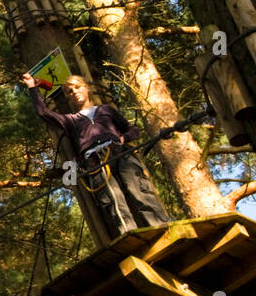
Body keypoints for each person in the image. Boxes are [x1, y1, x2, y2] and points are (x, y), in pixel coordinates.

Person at [21, 72, 169, 239]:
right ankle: (131, 238)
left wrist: (122, 138)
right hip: (95, 162)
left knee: (140, 192)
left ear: (87, 88)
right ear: (68, 98)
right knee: (114, 202)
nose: (74, 92)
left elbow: (133, 130)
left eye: (77, 87)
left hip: (120, 153)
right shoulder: (70, 120)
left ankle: (164, 228)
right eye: (69, 91)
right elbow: (43, 113)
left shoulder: (105, 110)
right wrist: (32, 87)